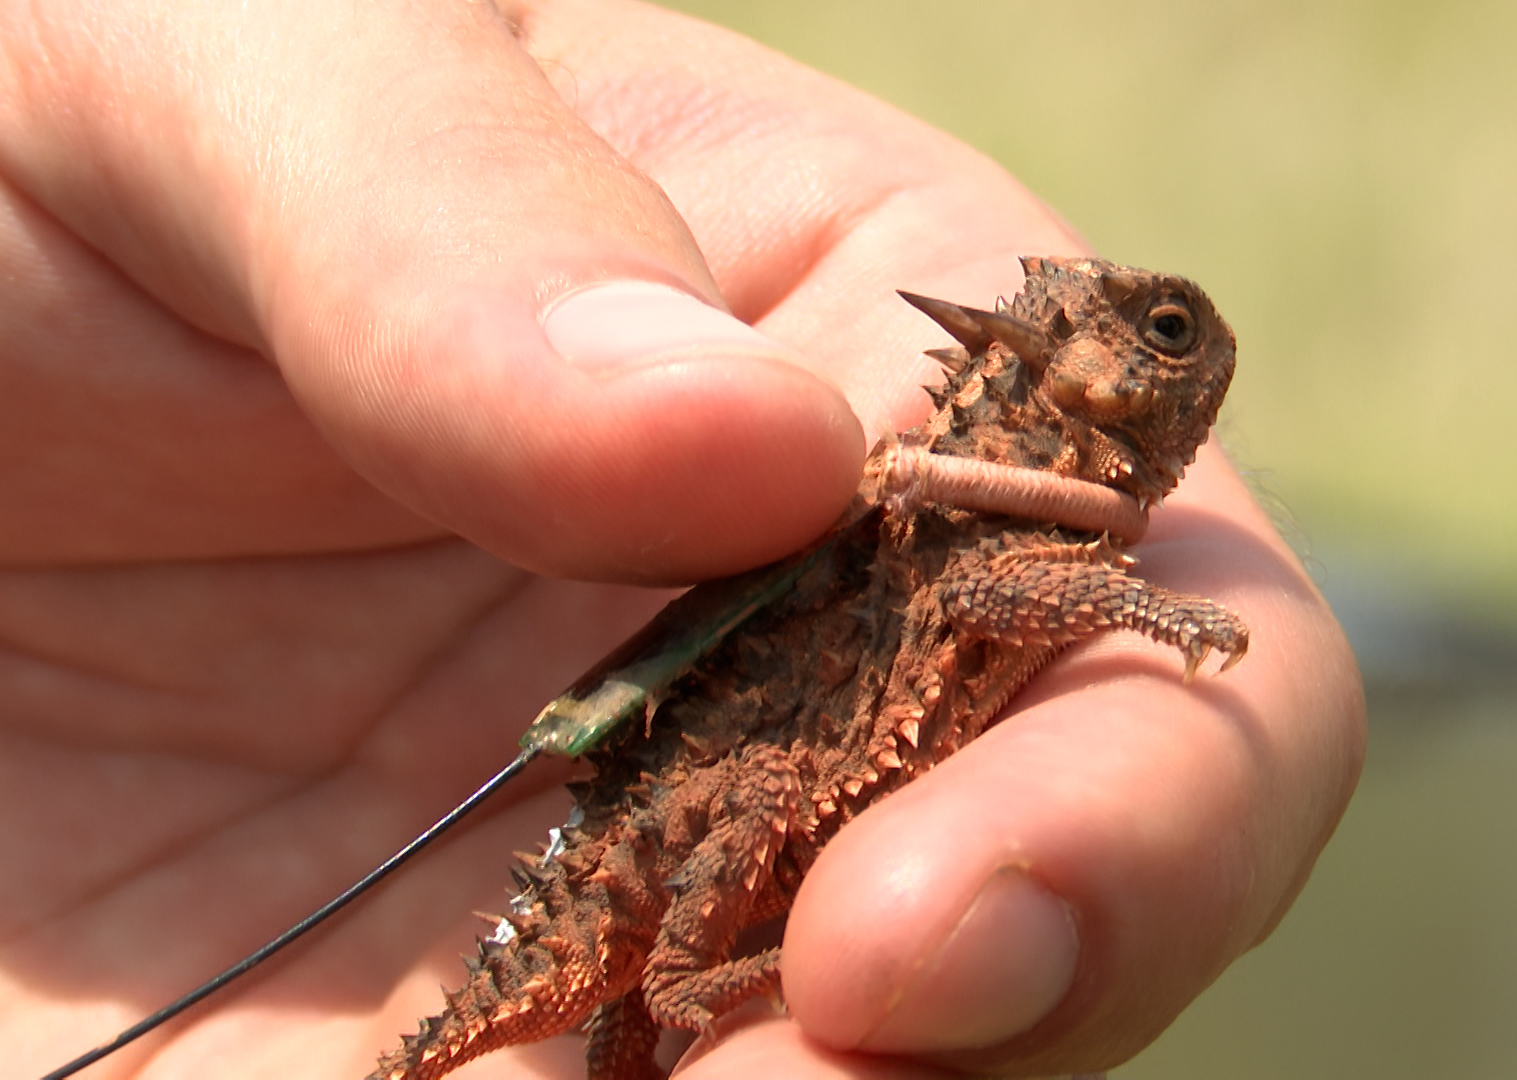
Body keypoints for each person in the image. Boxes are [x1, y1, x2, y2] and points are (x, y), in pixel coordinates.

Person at [0, 1, 1367, 1076]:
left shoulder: (974, 510)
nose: (1193, 362)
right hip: (700, 803)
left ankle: (633, 1029)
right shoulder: (963, 529)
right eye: (1165, 338)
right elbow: (981, 597)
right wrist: (1150, 613)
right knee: (757, 799)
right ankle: (672, 983)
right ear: (1070, 369)